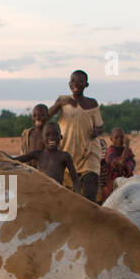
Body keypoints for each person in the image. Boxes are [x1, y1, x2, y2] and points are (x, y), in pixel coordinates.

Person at [50, 70, 103, 201]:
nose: (76, 84)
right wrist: (58, 104)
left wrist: (96, 131)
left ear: (86, 85)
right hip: (68, 153)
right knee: (69, 197)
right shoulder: (63, 101)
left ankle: (90, 217)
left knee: (90, 190)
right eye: (73, 80)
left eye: (80, 81)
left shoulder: (92, 103)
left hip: (89, 152)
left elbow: (100, 125)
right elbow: (46, 116)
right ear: (69, 83)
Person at [14, 122, 77, 187]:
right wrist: (3, 156)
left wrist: (78, 195)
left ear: (60, 137)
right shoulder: (37, 154)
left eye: (55, 134)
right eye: (47, 135)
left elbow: (75, 179)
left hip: (57, 193)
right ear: (42, 139)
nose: (52, 137)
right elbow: (15, 160)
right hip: (41, 192)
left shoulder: (64, 156)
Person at [101, 127, 136, 198]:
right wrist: (127, 146)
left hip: (126, 185)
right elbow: (120, 163)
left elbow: (130, 166)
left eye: (122, 137)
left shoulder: (128, 152)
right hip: (112, 188)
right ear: (111, 139)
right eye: (116, 137)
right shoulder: (110, 152)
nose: (119, 140)